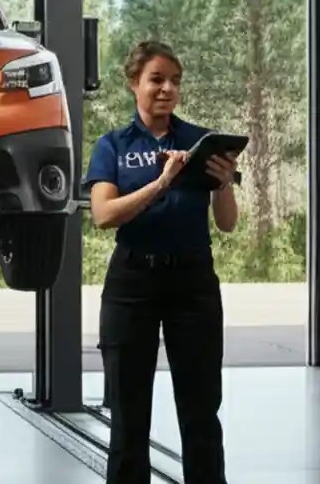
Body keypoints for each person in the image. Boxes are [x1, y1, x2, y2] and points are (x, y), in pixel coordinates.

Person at [83, 40, 239, 484]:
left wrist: (224, 183)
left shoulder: (199, 142)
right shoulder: (112, 146)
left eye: (175, 81)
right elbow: (103, 214)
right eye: (156, 79)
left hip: (193, 282)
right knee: (130, 415)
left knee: (201, 410)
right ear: (134, 84)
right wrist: (162, 182)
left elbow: (226, 224)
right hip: (133, 282)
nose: (167, 89)